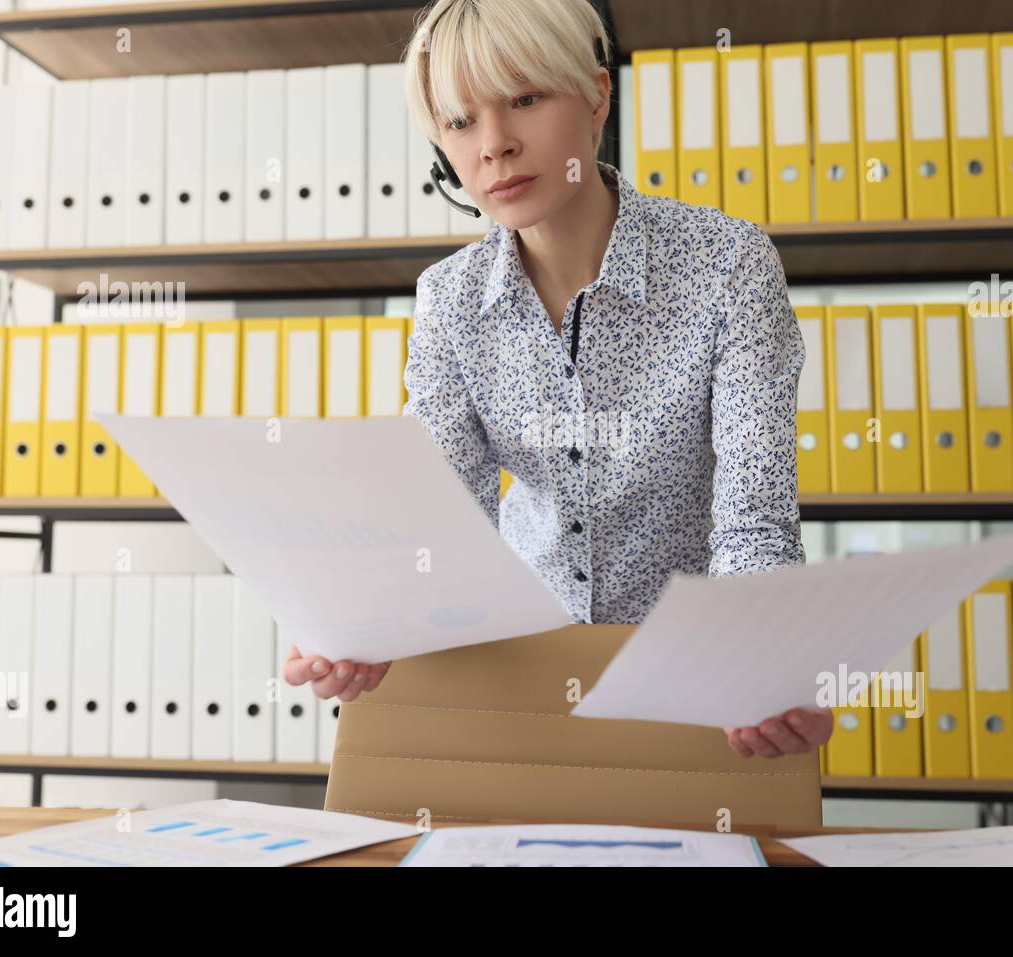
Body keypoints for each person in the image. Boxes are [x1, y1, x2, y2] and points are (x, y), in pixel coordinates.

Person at [284, 0, 833, 759]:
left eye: (526, 99)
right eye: (458, 123)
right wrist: (367, 627)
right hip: (516, 686)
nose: (495, 146)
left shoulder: (728, 265)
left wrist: (760, 663)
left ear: (598, 95)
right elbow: (439, 527)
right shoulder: (449, 299)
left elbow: (752, 521)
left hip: (698, 689)